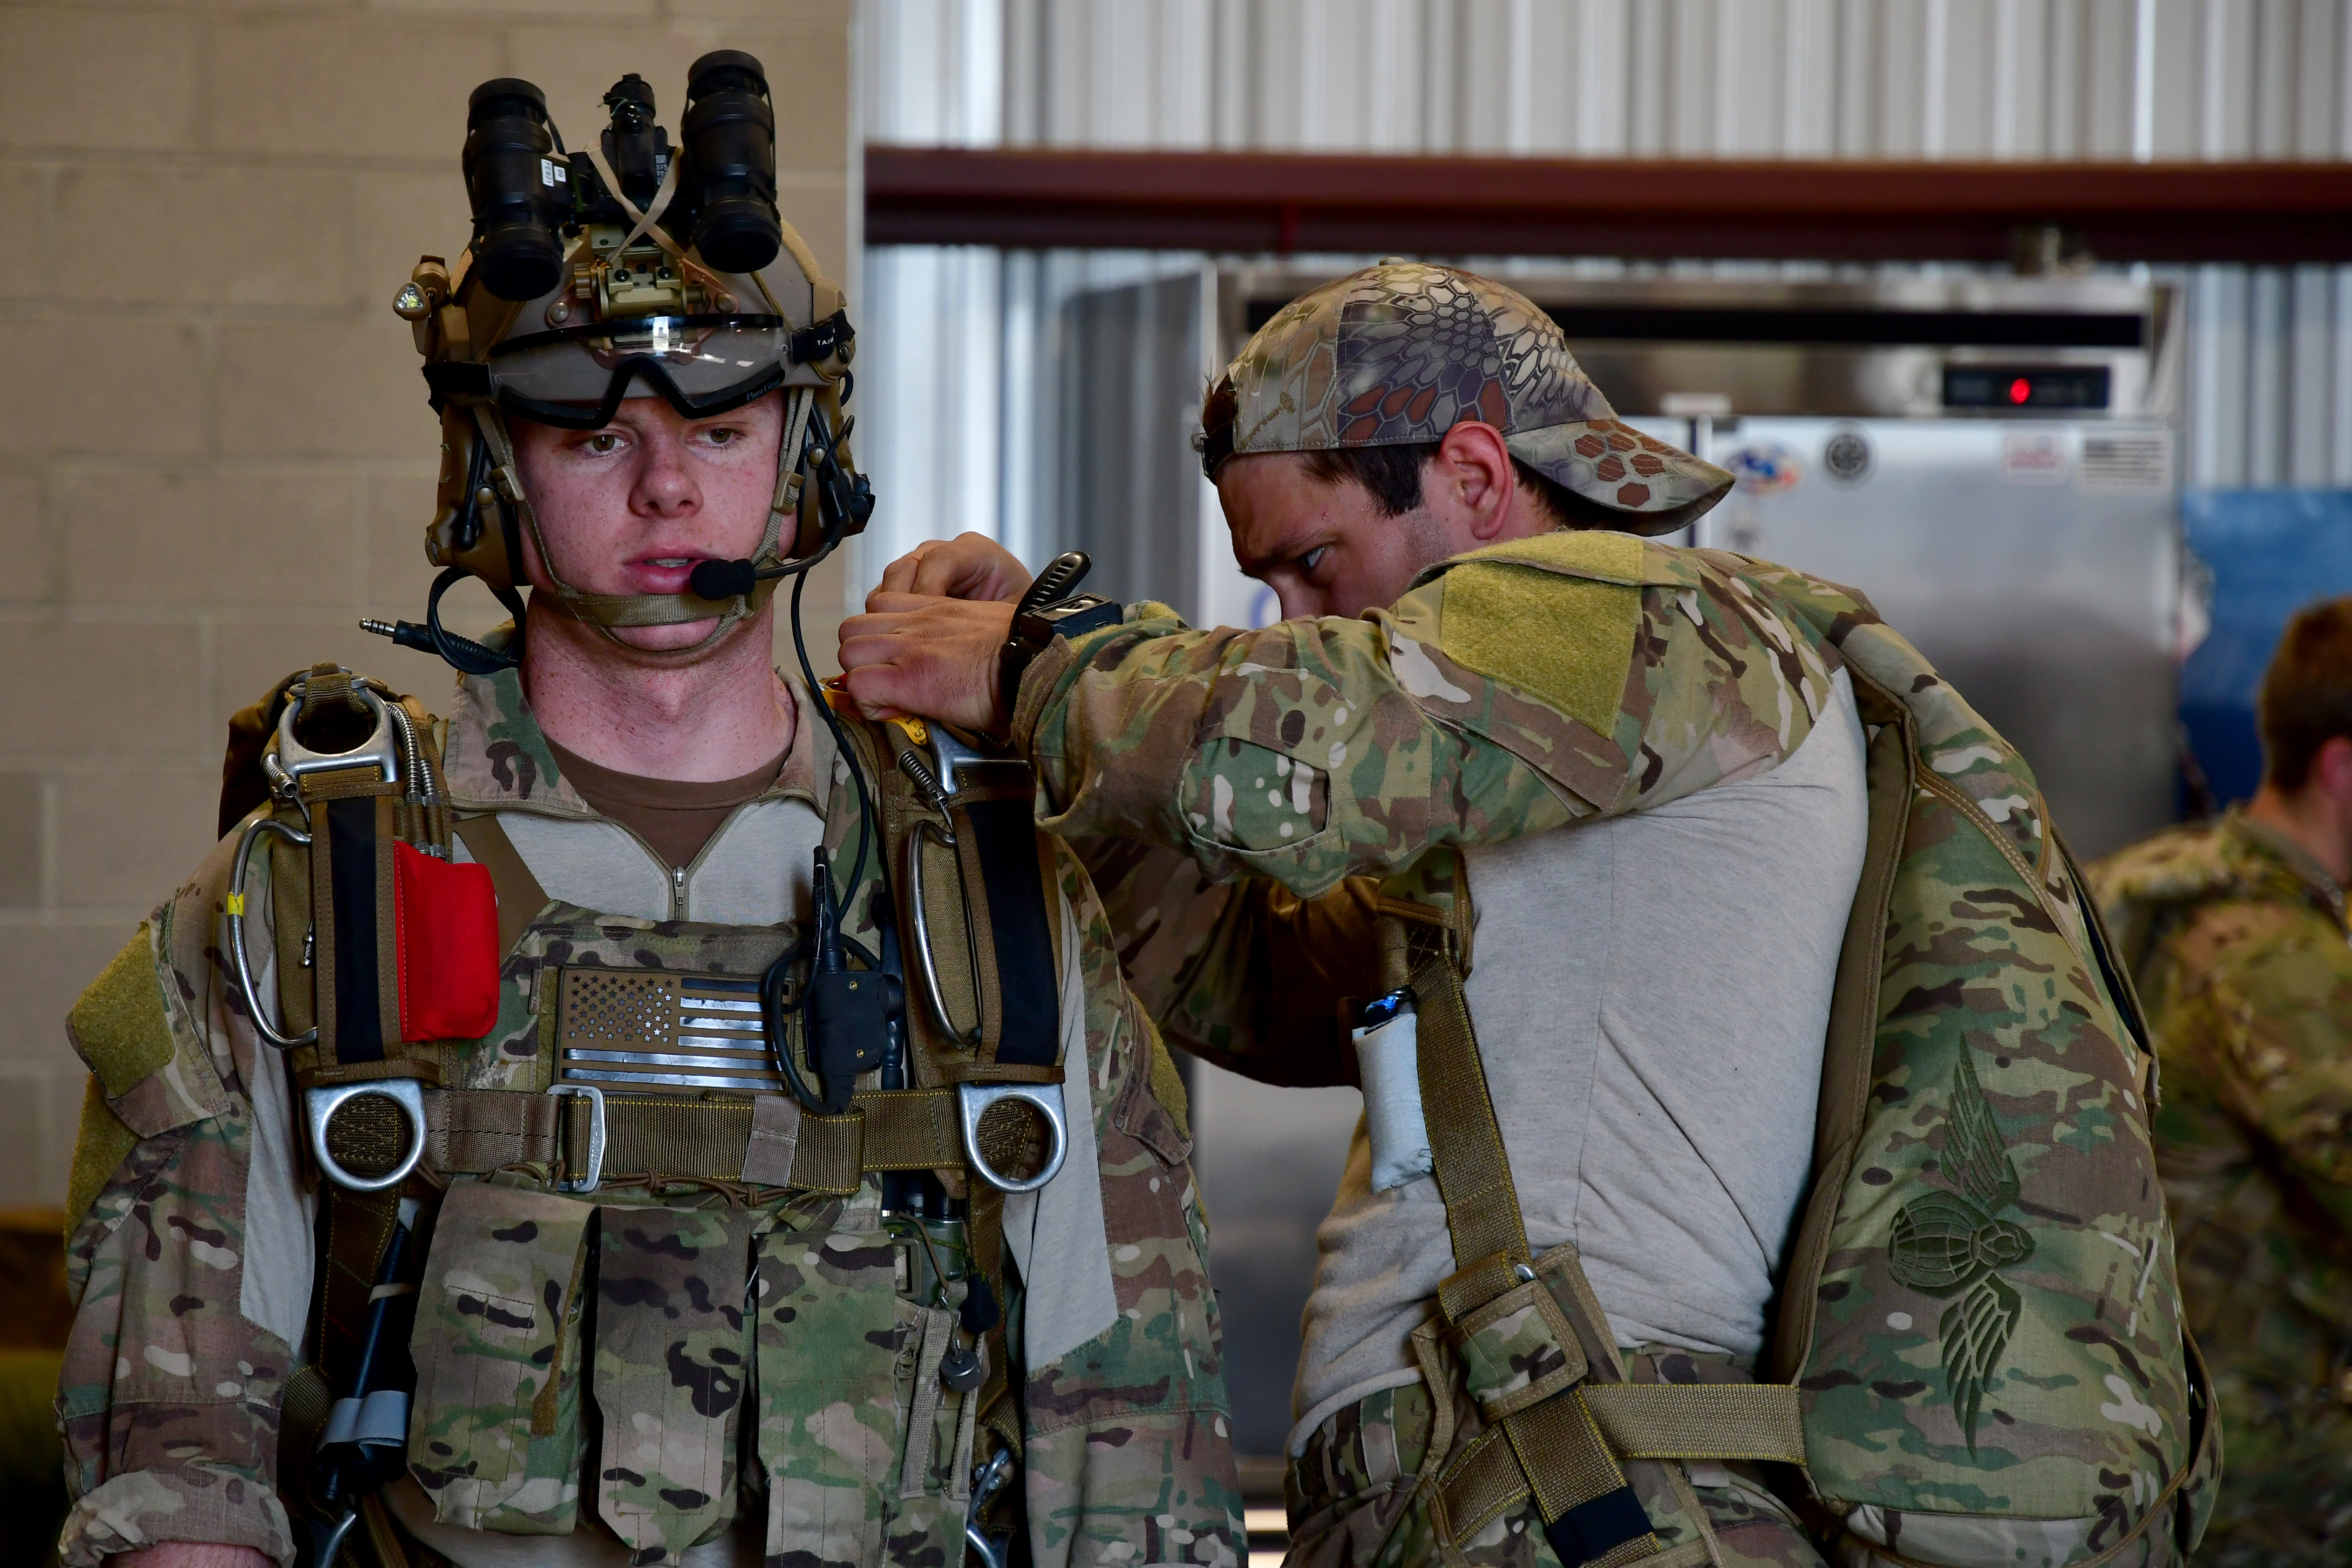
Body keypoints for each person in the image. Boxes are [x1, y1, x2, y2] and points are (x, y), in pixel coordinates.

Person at [839, 264, 2213, 1568]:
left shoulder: (1663, 616)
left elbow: (1321, 734)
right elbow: (1264, 974)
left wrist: (1037, 672)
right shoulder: (1542, 772)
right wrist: (1043, 755)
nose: (1292, 613)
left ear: (1478, 476)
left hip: (1589, 1490)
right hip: (1525, 1486)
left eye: (1316, 563)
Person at [51, 61, 1237, 1568]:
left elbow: (1133, 1477)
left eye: (725, 429)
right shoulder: (317, 890)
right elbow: (177, 1479)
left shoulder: (992, 899)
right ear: (494, 474)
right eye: (596, 436)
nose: (669, 488)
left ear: (804, 469)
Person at [2090, 598, 2352, 1565]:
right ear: (2339, 767)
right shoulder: (2266, 954)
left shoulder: (2181, 875)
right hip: (2258, 1445)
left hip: (2160, 1409)